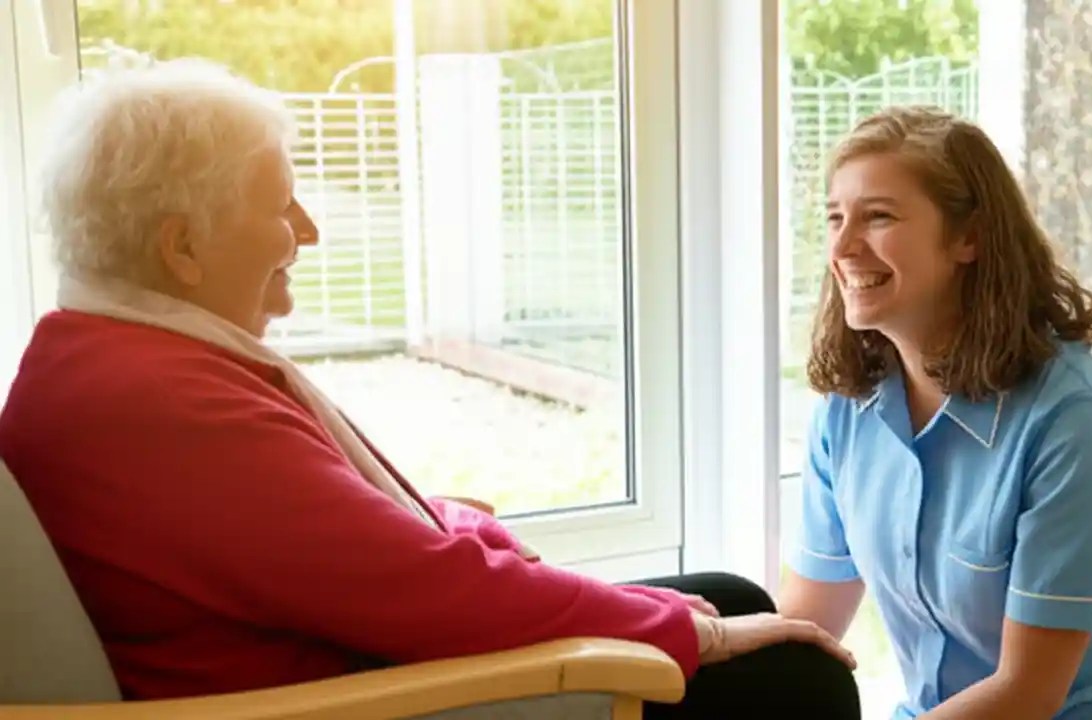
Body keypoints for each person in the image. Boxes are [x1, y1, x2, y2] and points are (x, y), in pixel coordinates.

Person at [0, 59, 860, 718]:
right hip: (367, 700)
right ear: (182, 248)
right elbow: (419, 588)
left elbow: (325, 547)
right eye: (283, 206)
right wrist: (692, 635)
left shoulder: (98, 359)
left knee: (738, 599)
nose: (307, 230)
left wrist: (455, 524)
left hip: (338, 659)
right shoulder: (161, 407)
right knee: (790, 676)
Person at [776, 105, 1092, 719]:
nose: (842, 245)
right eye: (835, 217)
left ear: (969, 237)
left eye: (878, 216)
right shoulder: (848, 411)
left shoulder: (1077, 423)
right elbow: (809, 628)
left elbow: (1027, 693)